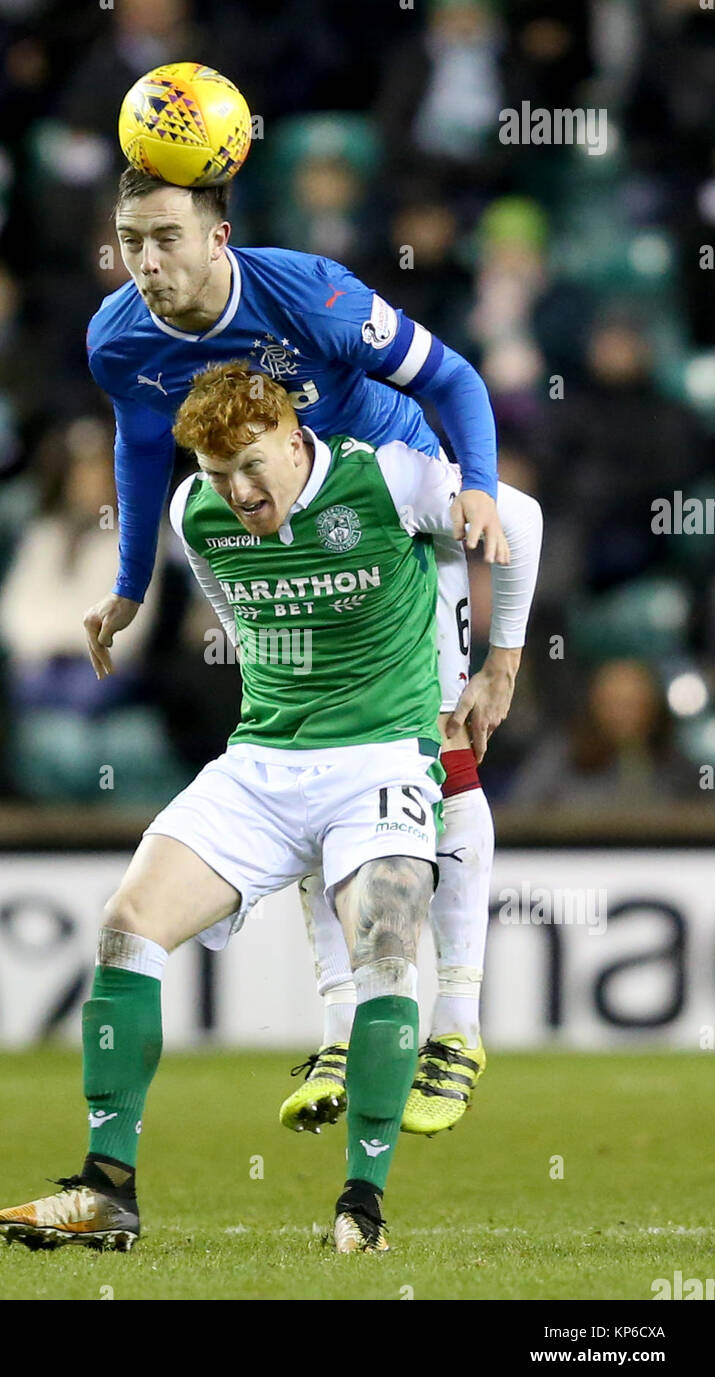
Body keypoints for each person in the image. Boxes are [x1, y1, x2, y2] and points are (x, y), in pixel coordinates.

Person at [0, 363, 540, 1255]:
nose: (237, 492)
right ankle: (105, 1191)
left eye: (251, 465)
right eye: (215, 474)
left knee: (386, 954)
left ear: (294, 439)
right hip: (260, 764)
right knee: (128, 924)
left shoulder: (387, 477)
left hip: (379, 764)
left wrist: (499, 664)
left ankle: (360, 1207)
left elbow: (515, 518)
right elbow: (237, 618)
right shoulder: (190, 515)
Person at [82, 168, 529, 1138]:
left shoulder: (308, 293)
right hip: (277, 520)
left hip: (391, 512)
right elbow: (139, 443)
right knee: (299, 755)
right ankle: (341, 1022)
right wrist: (130, 583)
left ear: (220, 236)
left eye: (165, 236)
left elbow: (450, 376)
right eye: (131, 240)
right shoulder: (120, 337)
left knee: (442, 749)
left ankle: (456, 1023)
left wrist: (498, 623)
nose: (147, 261)